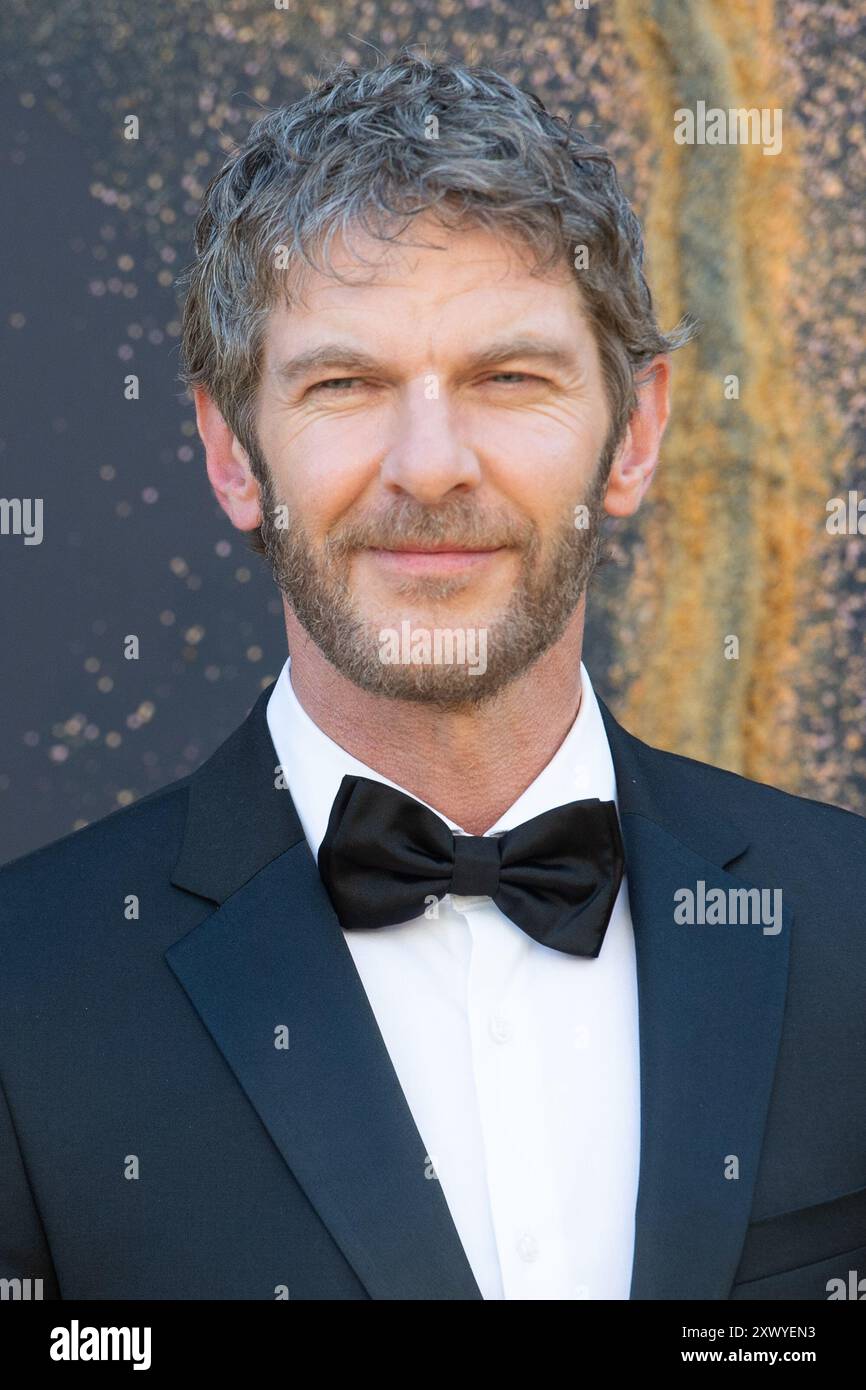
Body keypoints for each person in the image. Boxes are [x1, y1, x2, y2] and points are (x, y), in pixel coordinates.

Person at [2, 54, 864, 1303]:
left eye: (506, 378)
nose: (429, 464)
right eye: (343, 384)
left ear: (634, 433)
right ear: (231, 454)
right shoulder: (27, 993)